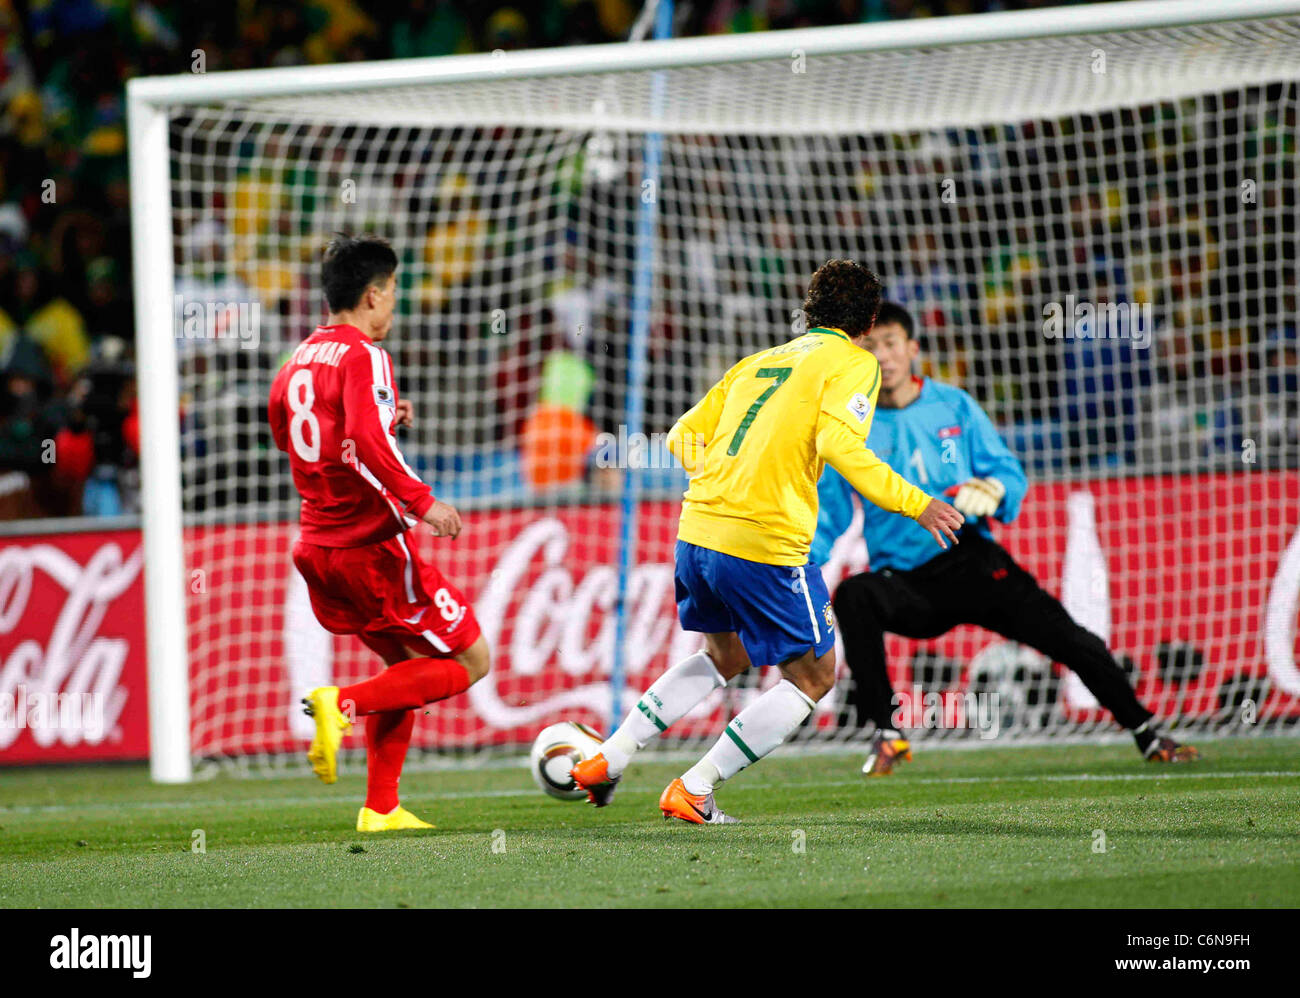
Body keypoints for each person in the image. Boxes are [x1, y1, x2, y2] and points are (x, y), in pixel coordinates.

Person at [571, 260, 965, 823]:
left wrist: (726, 482)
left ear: (809, 309)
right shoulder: (854, 362)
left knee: (722, 654)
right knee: (813, 676)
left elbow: (683, 436)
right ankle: (696, 786)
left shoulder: (763, 359)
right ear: (869, 320)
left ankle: (608, 756)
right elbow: (840, 445)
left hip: (697, 534)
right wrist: (916, 502)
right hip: (763, 543)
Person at [811, 302, 1197, 775]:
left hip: (971, 561)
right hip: (906, 584)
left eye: (891, 344)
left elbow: (1008, 475)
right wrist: (798, 564)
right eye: (870, 347)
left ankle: (1148, 731)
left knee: (1068, 637)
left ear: (912, 348)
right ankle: (887, 734)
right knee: (853, 595)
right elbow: (826, 517)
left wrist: (992, 490)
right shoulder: (848, 430)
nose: (883, 357)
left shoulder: (954, 406)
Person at [268, 234, 490, 832]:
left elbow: (289, 435)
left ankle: (381, 807)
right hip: (372, 547)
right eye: (392, 293)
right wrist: (423, 502)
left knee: (405, 670)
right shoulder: (365, 356)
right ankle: (338, 705)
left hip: (317, 548)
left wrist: (383, 418)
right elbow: (365, 443)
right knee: (473, 659)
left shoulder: (297, 361)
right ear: (372, 295)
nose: (394, 305)